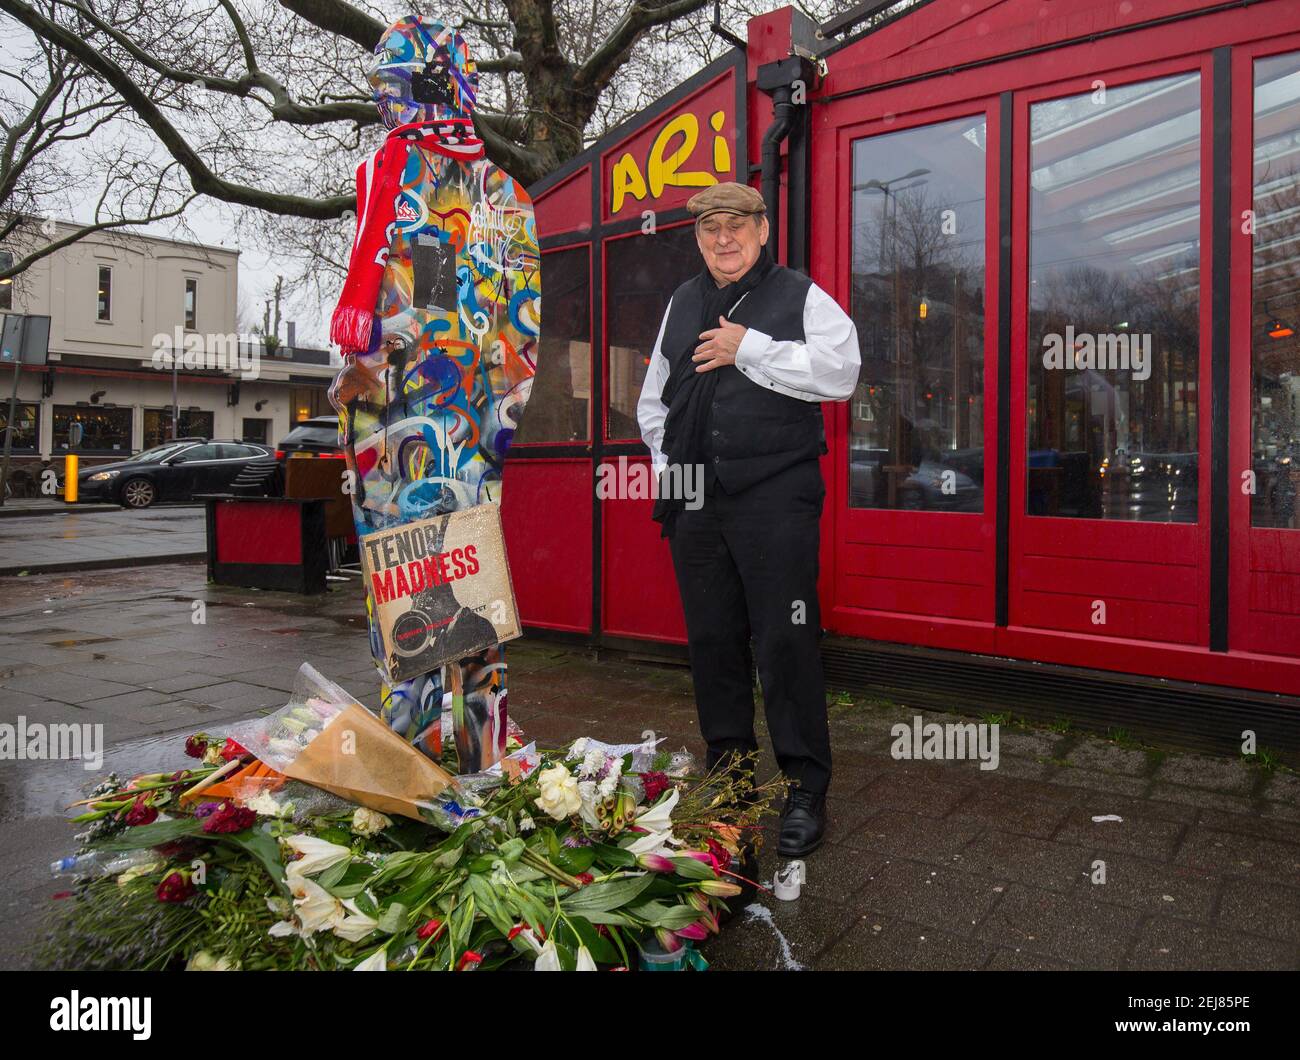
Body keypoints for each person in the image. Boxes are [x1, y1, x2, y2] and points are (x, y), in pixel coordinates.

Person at [636, 181, 861, 856]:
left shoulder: (799, 295)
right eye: (710, 229)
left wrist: (750, 348)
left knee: (785, 642)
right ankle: (731, 777)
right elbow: (654, 401)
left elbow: (841, 372)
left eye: (736, 225)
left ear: (763, 231)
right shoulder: (681, 300)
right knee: (712, 639)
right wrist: (670, 467)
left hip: (775, 494)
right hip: (696, 495)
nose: (723, 239)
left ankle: (804, 786)